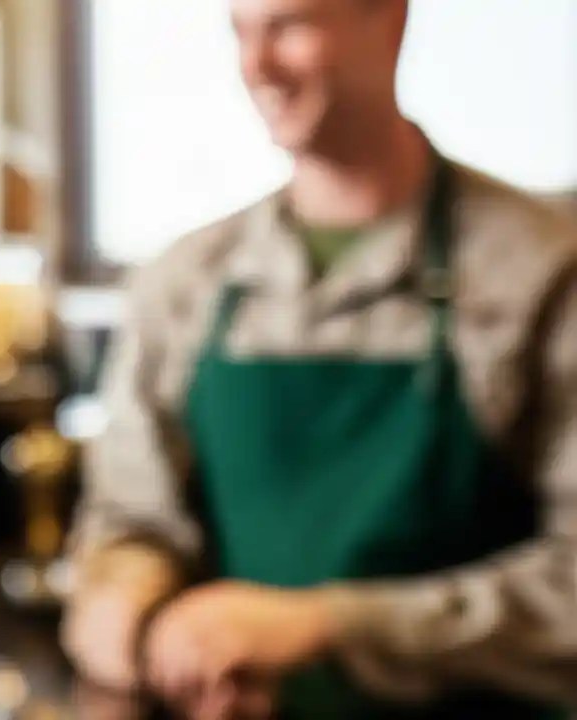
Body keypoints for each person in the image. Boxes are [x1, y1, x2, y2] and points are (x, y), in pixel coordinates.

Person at [61, 0, 577, 718]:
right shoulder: (186, 282)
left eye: (290, 26)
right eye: (240, 32)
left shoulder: (540, 273)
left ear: (390, 21)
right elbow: (131, 521)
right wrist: (137, 619)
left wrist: (330, 624)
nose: (256, 66)